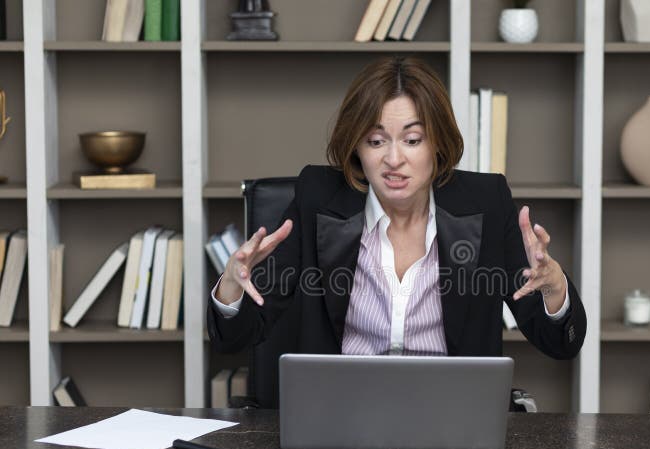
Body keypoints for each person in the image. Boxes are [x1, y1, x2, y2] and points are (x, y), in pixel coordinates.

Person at [207, 56, 586, 404]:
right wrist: (231, 287)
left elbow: (559, 344)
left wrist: (555, 289)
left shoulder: (487, 202)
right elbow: (236, 337)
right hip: (340, 415)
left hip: (453, 416)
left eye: (412, 140)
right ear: (356, 147)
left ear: (437, 143)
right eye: (375, 141)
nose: (393, 159)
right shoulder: (316, 198)